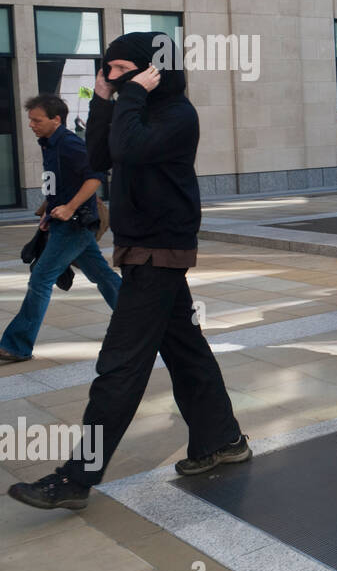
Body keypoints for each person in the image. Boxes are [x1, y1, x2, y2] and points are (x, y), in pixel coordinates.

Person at [8, 32, 247, 511]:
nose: (113, 77)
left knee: (119, 366)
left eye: (121, 69)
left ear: (151, 69)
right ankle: (224, 441)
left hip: (159, 250)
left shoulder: (179, 114)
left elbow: (130, 149)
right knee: (185, 351)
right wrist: (102, 100)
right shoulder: (131, 109)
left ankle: (75, 479)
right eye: (108, 69)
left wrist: (129, 96)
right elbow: (99, 158)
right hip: (141, 246)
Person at [0, 95, 121, 363]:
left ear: (56, 120)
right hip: (63, 224)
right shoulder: (49, 144)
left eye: (37, 120)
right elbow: (60, 183)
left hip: (74, 225)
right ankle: (137, 322)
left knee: (40, 279)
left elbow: (95, 177)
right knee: (102, 275)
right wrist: (49, 212)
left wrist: (68, 208)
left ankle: (17, 345)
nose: (31, 124)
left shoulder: (69, 144)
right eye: (30, 119)